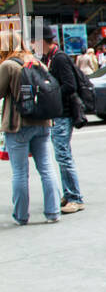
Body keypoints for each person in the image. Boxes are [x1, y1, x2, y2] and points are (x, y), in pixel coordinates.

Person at [0, 38, 62, 224]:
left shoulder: (9, 65)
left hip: (18, 123)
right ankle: (53, 212)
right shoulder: (36, 61)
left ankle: (21, 216)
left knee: (19, 172)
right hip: (43, 122)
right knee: (47, 167)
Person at [39, 28, 85, 214]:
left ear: (44, 41)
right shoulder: (49, 58)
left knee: (63, 155)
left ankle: (75, 197)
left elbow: (70, 85)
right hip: (57, 113)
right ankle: (69, 193)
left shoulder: (59, 58)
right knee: (61, 155)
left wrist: (50, 94)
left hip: (63, 113)